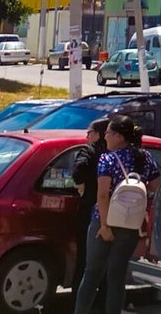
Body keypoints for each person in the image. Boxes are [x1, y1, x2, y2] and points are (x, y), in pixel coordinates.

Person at [73, 116, 161, 314]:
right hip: (130, 224)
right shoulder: (145, 157)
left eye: (109, 133)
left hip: (104, 221)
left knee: (92, 274)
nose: (105, 137)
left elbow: (102, 195)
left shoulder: (108, 159)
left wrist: (104, 226)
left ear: (120, 136)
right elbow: (158, 187)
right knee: (117, 276)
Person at [70, 118, 106, 287]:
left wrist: (82, 186)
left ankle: (79, 301)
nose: (86, 137)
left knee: (84, 259)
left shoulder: (89, 151)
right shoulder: (115, 154)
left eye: (89, 133)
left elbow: (78, 170)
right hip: (111, 215)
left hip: (89, 213)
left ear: (98, 134)